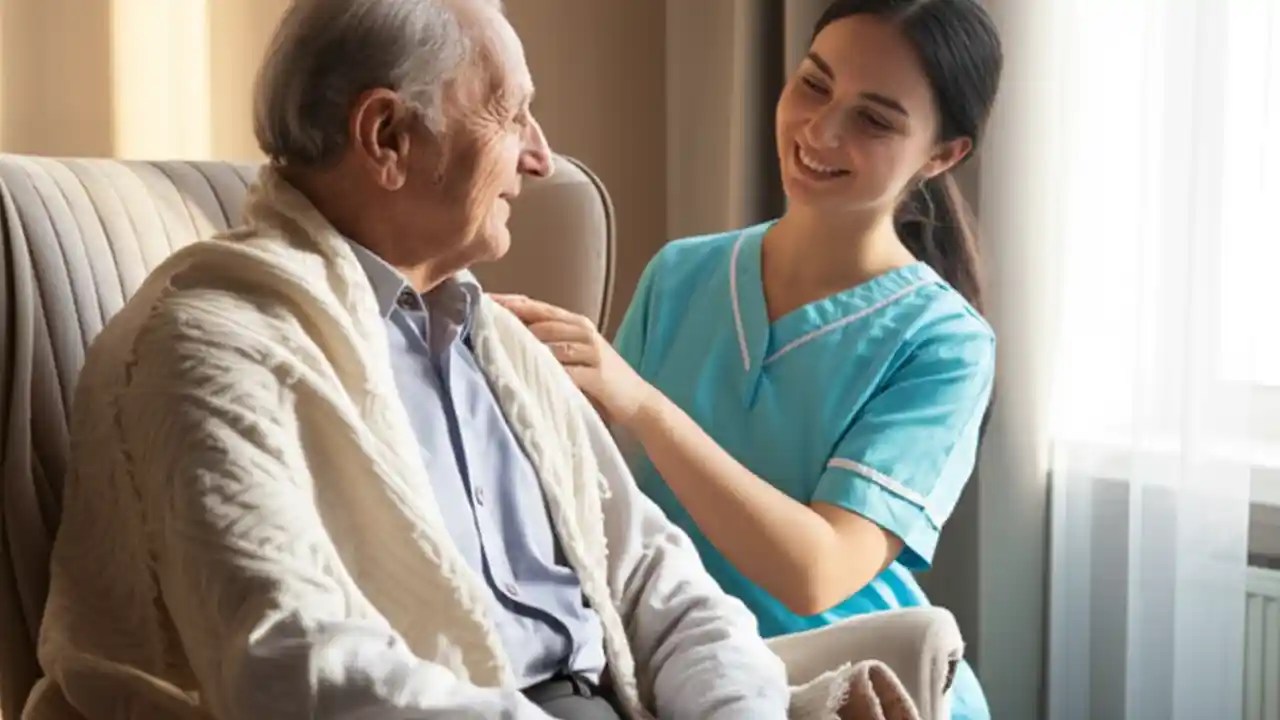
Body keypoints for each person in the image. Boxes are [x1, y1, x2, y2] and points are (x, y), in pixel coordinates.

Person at [22, 1, 865, 718]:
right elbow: (294, 664)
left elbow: (655, 577)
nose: (539, 156)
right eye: (511, 113)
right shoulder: (209, 348)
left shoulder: (496, 337)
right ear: (387, 136)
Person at [496, 1, 1004, 718]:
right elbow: (599, 504)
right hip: (680, 667)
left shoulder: (945, 344)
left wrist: (642, 402)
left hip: (854, 687)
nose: (820, 130)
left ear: (941, 154)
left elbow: (818, 573)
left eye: (874, 119)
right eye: (815, 84)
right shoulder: (681, 275)